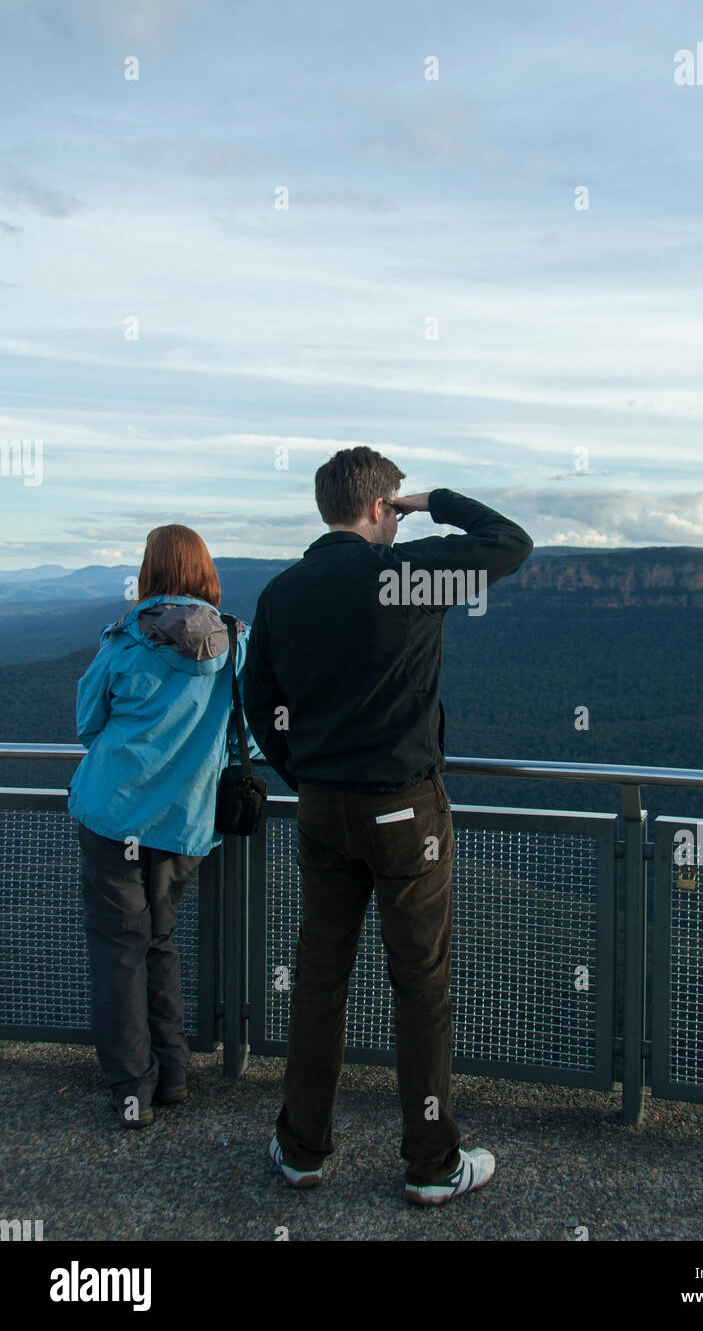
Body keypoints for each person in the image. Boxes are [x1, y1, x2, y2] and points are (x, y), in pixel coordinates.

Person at [243, 446, 533, 1205]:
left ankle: (302, 1149)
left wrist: (302, 771)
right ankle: (431, 1164)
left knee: (319, 981)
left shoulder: (282, 592)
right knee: (420, 988)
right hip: (407, 813)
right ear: (380, 509)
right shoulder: (410, 573)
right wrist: (433, 500)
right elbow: (511, 543)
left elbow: (258, 700)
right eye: (395, 509)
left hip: (321, 808)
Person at [67, 524, 259, 1129]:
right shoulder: (237, 642)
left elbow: (88, 721)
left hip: (111, 813)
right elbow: (245, 733)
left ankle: (132, 1088)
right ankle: (173, 1076)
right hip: (184, 824)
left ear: (149, 572)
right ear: (204, 571)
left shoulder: (126, 639)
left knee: (119, 947)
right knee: (159, 940)